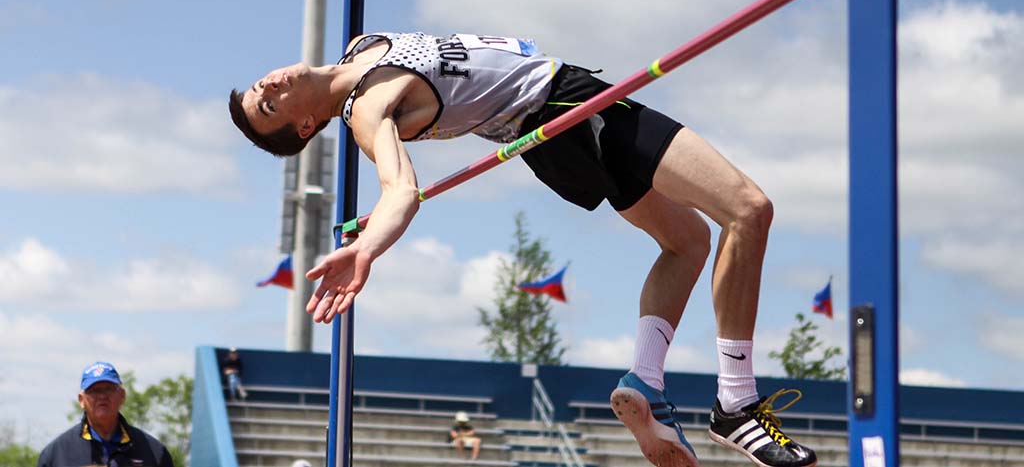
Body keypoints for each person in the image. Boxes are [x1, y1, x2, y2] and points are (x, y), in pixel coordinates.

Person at [229, 32, 818, 467]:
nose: (272, 85)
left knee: (686, 242)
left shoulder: (362, 47)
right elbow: (401, 191)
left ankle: (644, 381)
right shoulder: (366, 109)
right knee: (748, 209)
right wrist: (367, 251)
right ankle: (736, 402)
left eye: (262, 87)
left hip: (552, 132)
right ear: (307, 127)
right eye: (271, 106)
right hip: (566, 106)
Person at [37, 361, 174, 467]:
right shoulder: (56, 454)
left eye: (109, 389)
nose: (102, 396)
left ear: (122, 396)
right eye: (94, 390)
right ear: (81, 400)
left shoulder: (154, 452)